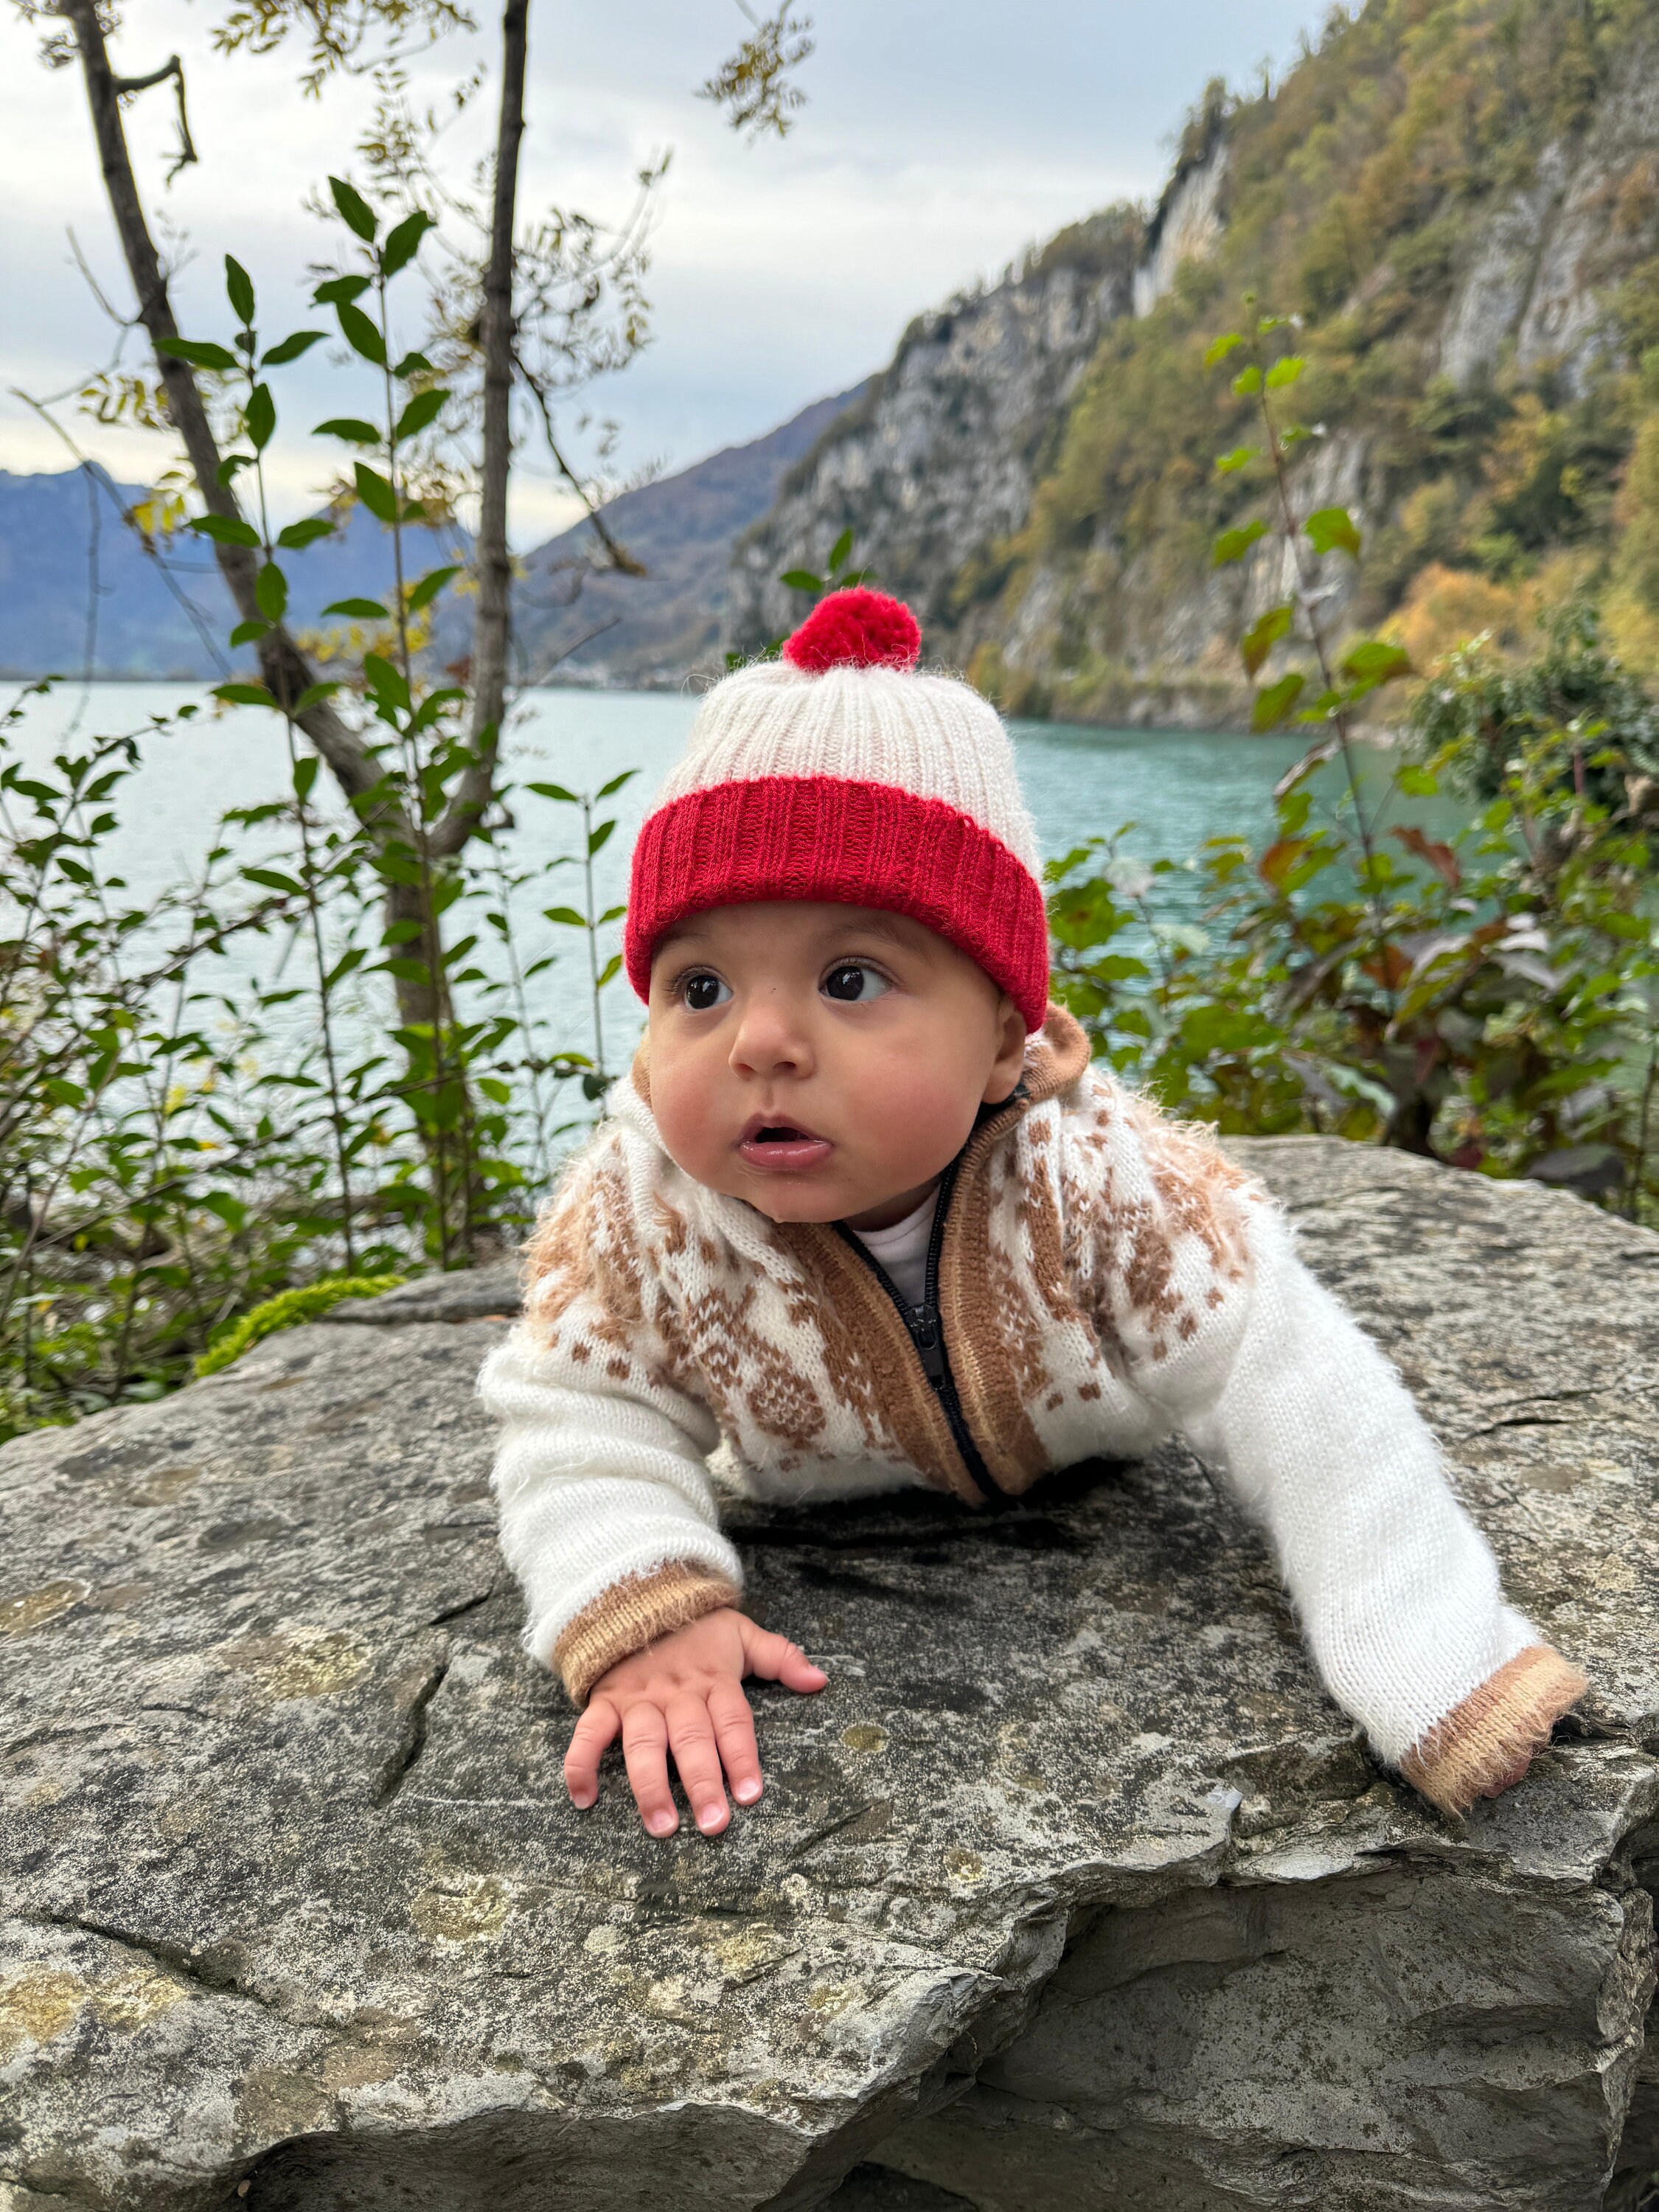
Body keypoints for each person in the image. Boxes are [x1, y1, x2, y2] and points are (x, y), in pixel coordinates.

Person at [478, 587, 1585, 1840]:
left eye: (851, 978)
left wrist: (1430, 1660)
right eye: (699, 988)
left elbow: (1295, 1384)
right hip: (807, 1512)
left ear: (1007, 1039)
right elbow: (579, 1413)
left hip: (1088, 1466)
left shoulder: (1100, 1182)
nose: (760, 1041)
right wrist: (644, 1605)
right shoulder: (641, 1215)